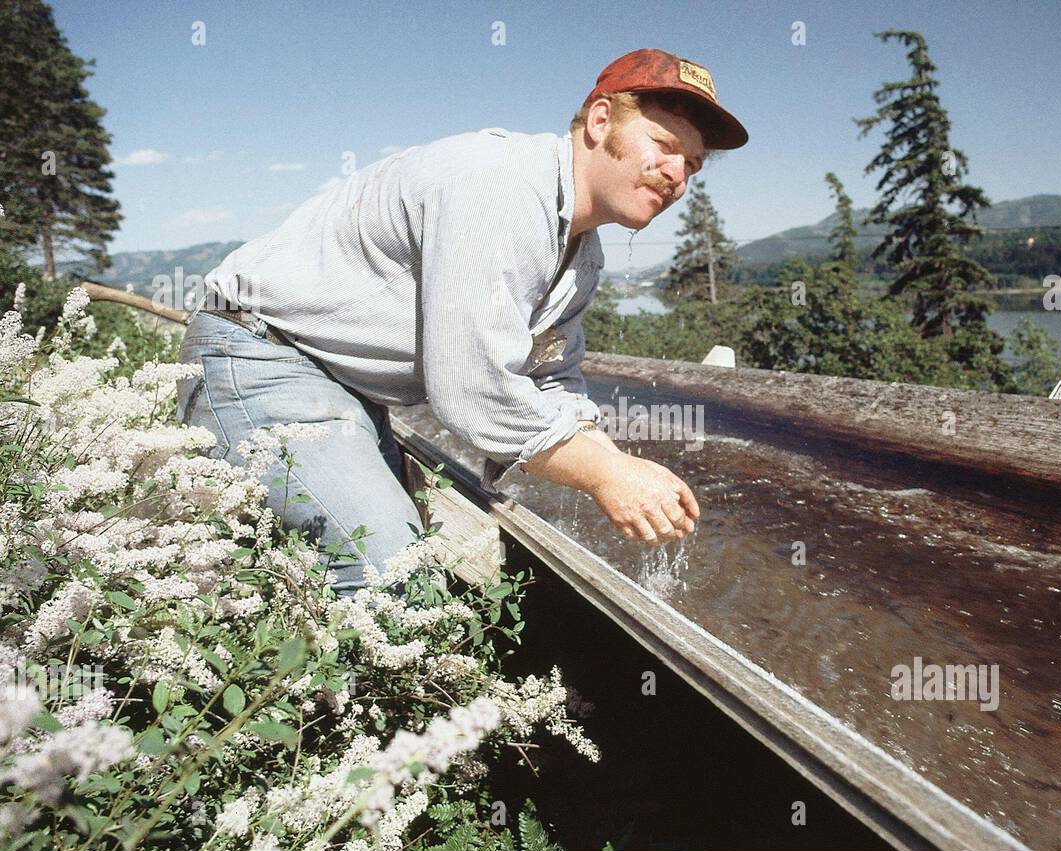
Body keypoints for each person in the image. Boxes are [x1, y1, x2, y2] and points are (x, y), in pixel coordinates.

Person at [175, 48, 750, 593]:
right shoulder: (499, 186)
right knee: (388, 565)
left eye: (693, 165)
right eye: (664, 144)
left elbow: (550, 377)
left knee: (396, 547)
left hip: (337, 380)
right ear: (601, 121)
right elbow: (470, 392)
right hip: (260, 355)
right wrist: (606, 478)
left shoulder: (582, 254)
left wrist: (613, 460)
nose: (678, 174)